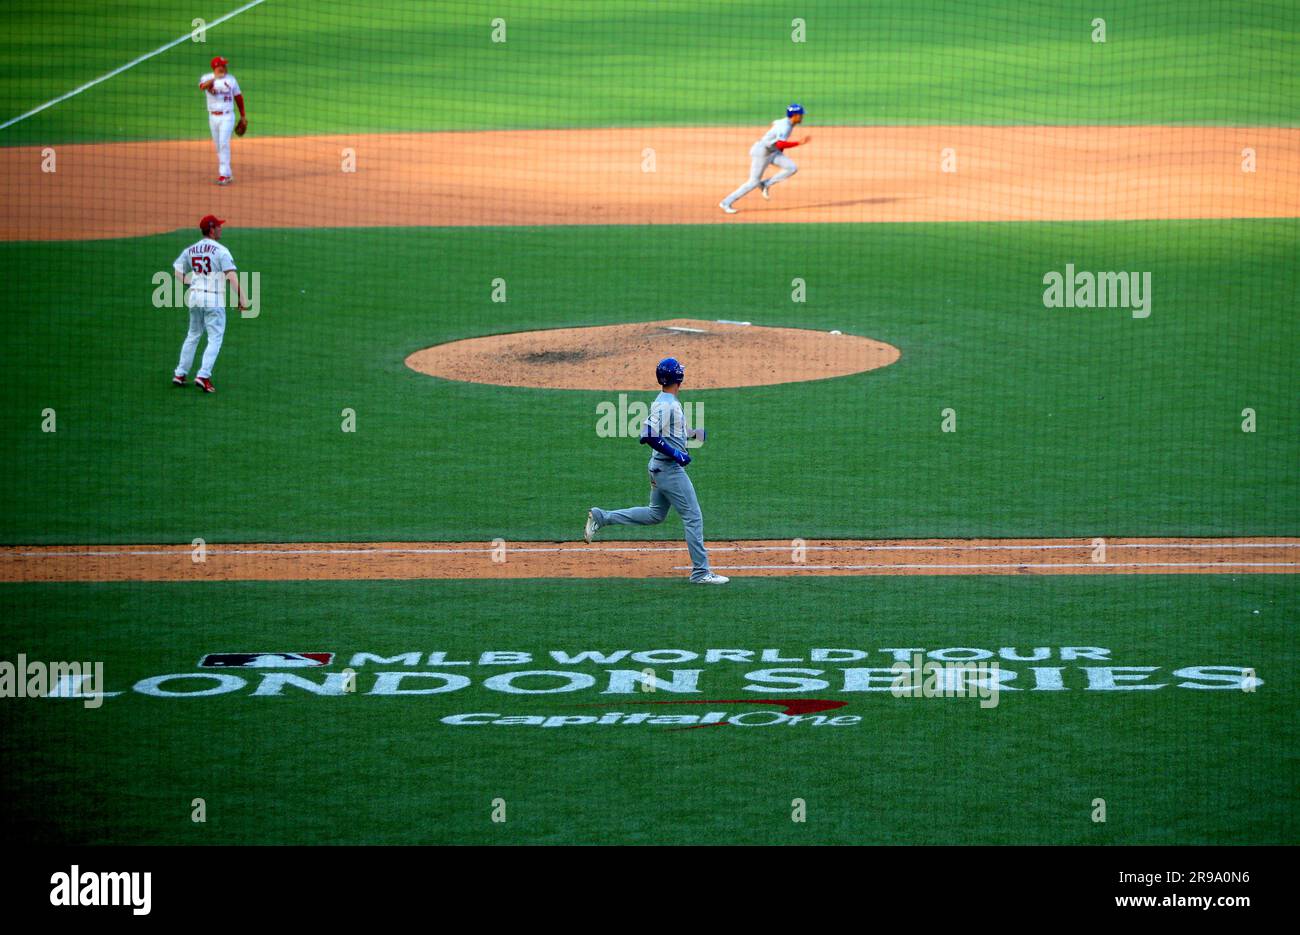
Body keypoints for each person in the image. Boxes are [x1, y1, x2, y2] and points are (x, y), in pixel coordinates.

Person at [584, 358, 729, 584]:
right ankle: (701, 573)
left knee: (655, 515)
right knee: (693, 517)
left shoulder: (665, 400)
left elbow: (670, 430)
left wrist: (692, 433)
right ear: (678, 378)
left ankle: (603, 517)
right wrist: (677, 454)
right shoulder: (667, 404)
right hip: (669, 470)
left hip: (658, 468)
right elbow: (647, 435)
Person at [171, 215, 249, 393]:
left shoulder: (191, 249)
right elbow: (231, 275)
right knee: (215, 338)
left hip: (194, 297)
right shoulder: (221, 250)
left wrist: (188, 282)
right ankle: (203, 375)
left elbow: (177, 269)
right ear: (212, 230)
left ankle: (180, 374)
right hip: (213, 298)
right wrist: (242, 298)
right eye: (219, 226)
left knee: (193, 334)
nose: (222, 228)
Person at [719, 103, 810, 214]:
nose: (802, 117)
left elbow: (774, 122)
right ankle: (726, 202)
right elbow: (781, 144)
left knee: (791, 168)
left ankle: (765, 184)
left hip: (772, 151)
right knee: (753, 182)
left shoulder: (786, 122)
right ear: (794, 115)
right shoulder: (785, 127)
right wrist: (798, 143)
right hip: (762, 152)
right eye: (800, 115)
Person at [198, 55, 246, 184]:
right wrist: (215, 78)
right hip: (212, 117)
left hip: (227, 116)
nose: (225, 67)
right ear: (216, 67)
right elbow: (202, 87)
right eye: (223, 65)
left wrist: (243, 116)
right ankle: (228, 174)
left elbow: (239, 98)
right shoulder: (207, 77)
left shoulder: (231, 79)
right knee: (218, 146)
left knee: (224, 143)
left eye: (225, 65)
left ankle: (223, 175)